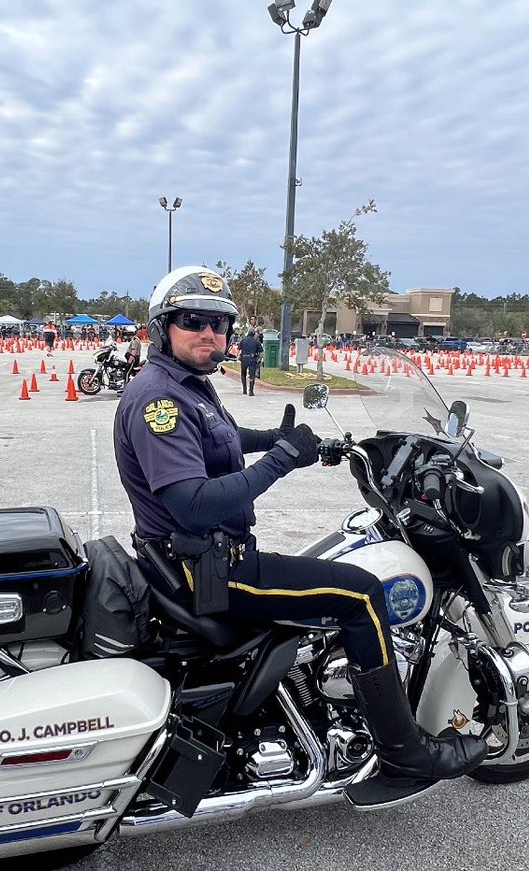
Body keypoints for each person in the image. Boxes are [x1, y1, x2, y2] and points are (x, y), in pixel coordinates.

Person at [113, 265, 485, 809]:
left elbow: (219, 440)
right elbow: (192, 506)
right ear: (162, 328)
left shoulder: (185, 386)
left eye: (220, 323)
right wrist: (282, 460)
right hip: (211, 571)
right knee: (361, 594)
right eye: (193, 321)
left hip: (200, 561)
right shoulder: (159, 401)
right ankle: (404, 755)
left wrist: (277, 438)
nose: (210, 333)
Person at [236, 325, 263, 395]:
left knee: (243, 374)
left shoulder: (243, 340)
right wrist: (259, 359)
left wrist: (238, 357)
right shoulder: (256, 342)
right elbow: (261, 352)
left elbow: (238, 350)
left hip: (244, 359)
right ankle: (251, 391)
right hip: (252, 359)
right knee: (252, 375)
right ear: (253, 334)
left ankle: (244, 389)